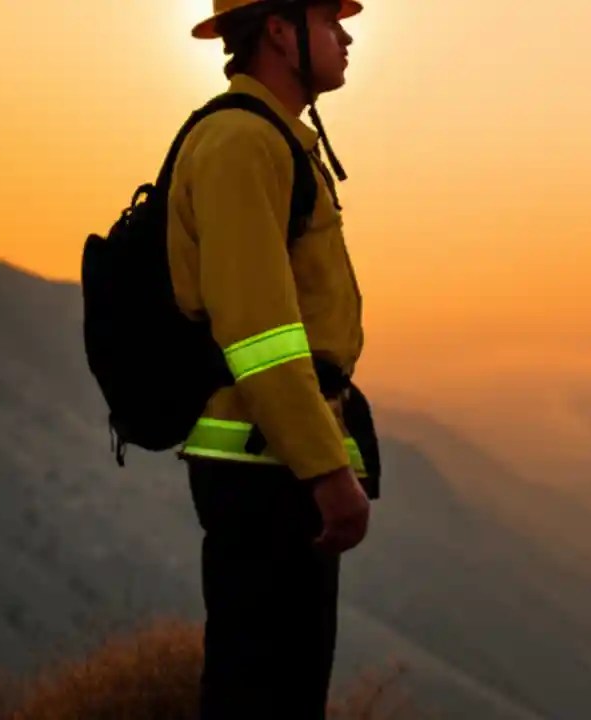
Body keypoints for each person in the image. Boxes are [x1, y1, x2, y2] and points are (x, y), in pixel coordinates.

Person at [164, 1, 372, 717]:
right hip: (266, 470)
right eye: (328, 18)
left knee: (283, 693)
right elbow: (258, 331)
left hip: (276, 459)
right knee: (260, 697)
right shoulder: (241, 145)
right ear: (280, 30)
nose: (346, 33)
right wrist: (326, 471)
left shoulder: (275, 141)